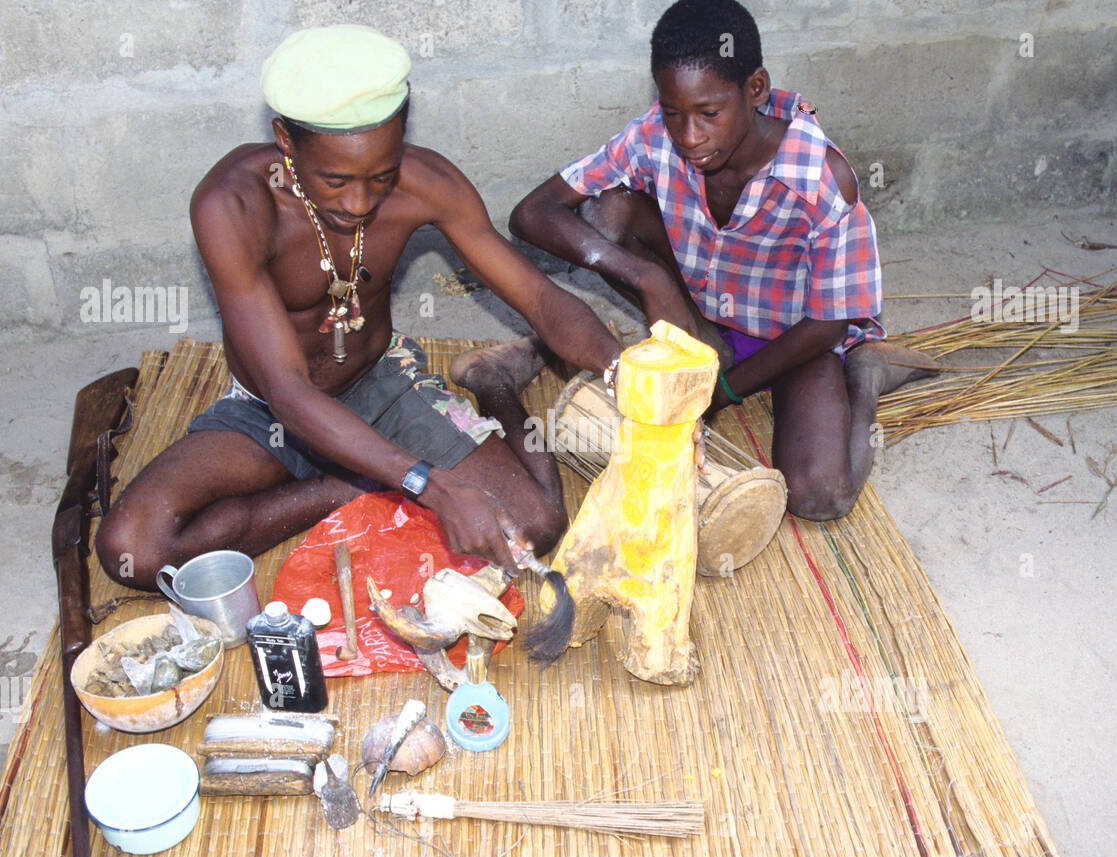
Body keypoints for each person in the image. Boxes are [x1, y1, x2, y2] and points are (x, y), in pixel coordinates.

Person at [97, 25, 623, 589]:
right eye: (336, 179)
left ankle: (492, 381)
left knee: (530, 530)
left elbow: (539, 298)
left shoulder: (428, 182)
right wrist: (428, 483)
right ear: (285, 140)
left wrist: (626, 372)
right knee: (136, 549)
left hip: (380, 384)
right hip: (272, 412)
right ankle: (359, 484)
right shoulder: (233, 204)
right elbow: (289, 392)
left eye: (381, 175)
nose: (360, 201)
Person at [510, 0, 938, 520]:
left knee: (818, 494)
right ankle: (704, 349)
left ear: (755, 89)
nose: (690, 137)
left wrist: (725, 391)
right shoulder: (653, 135)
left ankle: (866, 377)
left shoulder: (819, 176)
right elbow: (533, 213)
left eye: (709, 114)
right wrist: (646, 278)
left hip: (797, 339)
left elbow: (827, 324)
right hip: (703, 317)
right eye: (674, 113)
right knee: (611, 209)